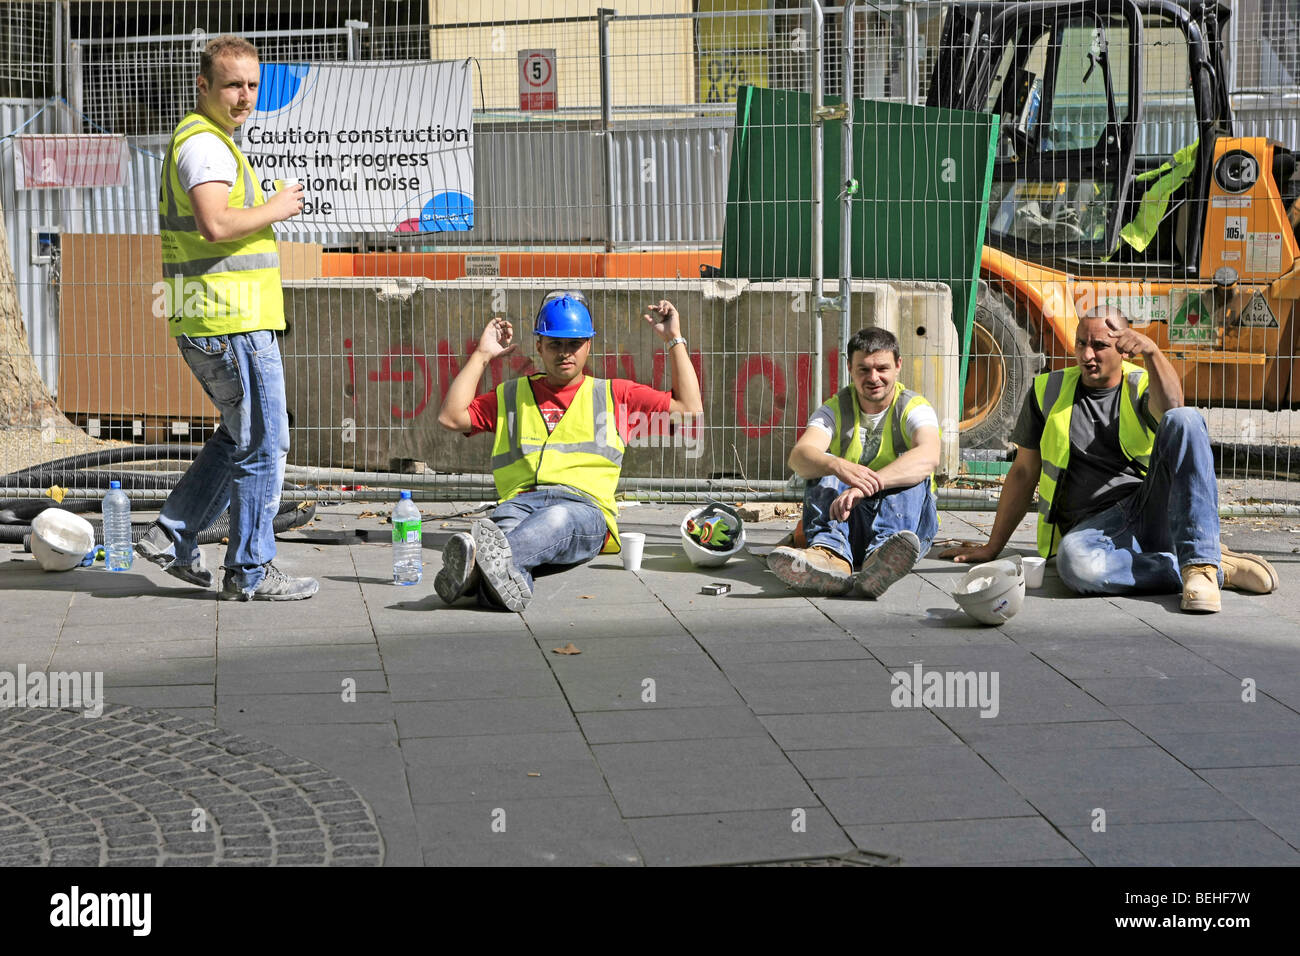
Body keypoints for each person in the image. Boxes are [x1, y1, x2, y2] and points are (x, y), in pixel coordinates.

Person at [134, 35, 318, 601]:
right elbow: (214, 224)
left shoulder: (208, 140)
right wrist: (276, 208)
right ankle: (251, 571)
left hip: (213, 316)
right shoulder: (206, 146)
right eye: (233, 84)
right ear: (204, 86)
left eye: (253, 85)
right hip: (229, 320)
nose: (245, 96)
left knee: (242, 431)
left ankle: (172, 535)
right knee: (264, 440)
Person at [941, 305, 1278, 612]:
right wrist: (993, 546)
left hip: (1148, 510)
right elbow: (1023, 472)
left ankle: (1201, 564)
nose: (1087, 355)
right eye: (1081, 344)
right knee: (1075, 566)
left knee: (1186, 419)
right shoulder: (1047, 391)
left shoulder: (1140, 384)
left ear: (1123, 348)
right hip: (1090, 532)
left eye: (1100, 345)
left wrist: (1152, 352)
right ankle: (1208, 567)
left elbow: (1174, 408)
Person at [435, 291, 703, 611]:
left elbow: (690, 412)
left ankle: (474, 572)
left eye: (574, 343)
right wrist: (482, 354)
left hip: (583, 511)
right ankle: (492, 587)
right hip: (518, 506)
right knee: (507, 543)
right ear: (539, 346)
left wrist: (674, 339)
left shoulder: (616, 395)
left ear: (588, 345)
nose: (565, 353)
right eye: (555, 344)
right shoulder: (511, 395)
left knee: (551, 520)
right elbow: (451, 417)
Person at [768, 327, 941, 598]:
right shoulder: (835, 408)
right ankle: (830, 555)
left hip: (905, 529)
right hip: (848, 520)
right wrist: (837, 466)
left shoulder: (915, 407)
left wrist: (866, 485)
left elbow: (929, 455)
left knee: (910, 466)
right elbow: (798, 457)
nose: (873, 378)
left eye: (882, 368)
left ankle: (883, 556)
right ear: (849, 367)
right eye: (864, 369)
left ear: (898, 366)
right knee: (822, 461)